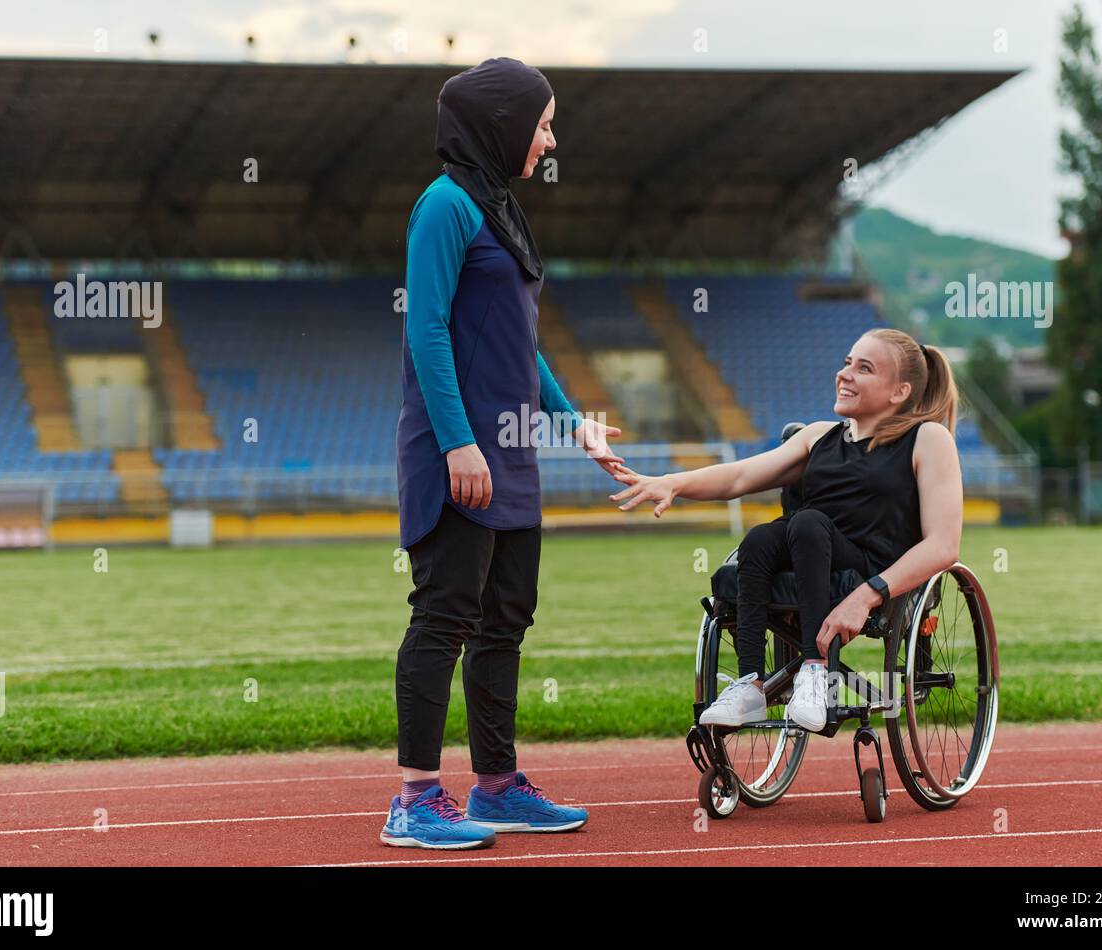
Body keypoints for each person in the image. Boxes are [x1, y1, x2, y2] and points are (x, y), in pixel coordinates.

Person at [383, 57, 624, 850]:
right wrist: (459, 441)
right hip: (458, 452)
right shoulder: (445, 205)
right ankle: (415, 800)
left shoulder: (500, 206)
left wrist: (574, 424)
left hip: (511, 453)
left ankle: (496, 788)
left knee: (505, 621)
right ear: (502, 123)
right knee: (444, 615)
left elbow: (521, 345)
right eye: (543, 124)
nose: (549, 141)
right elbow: (425, 330)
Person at [609, 328, 963, 732]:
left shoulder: (927, 439)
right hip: (813, 553)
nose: (845, 374)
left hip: (875, 570)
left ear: (900, 391)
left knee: (808, 522)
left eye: (864, 368)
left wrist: (866, 596)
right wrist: (673, 483)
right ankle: (750, 684)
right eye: (847, 363)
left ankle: (815, 671)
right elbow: (740, 476)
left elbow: (943, 545)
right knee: (762, 538)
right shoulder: (818, 436)